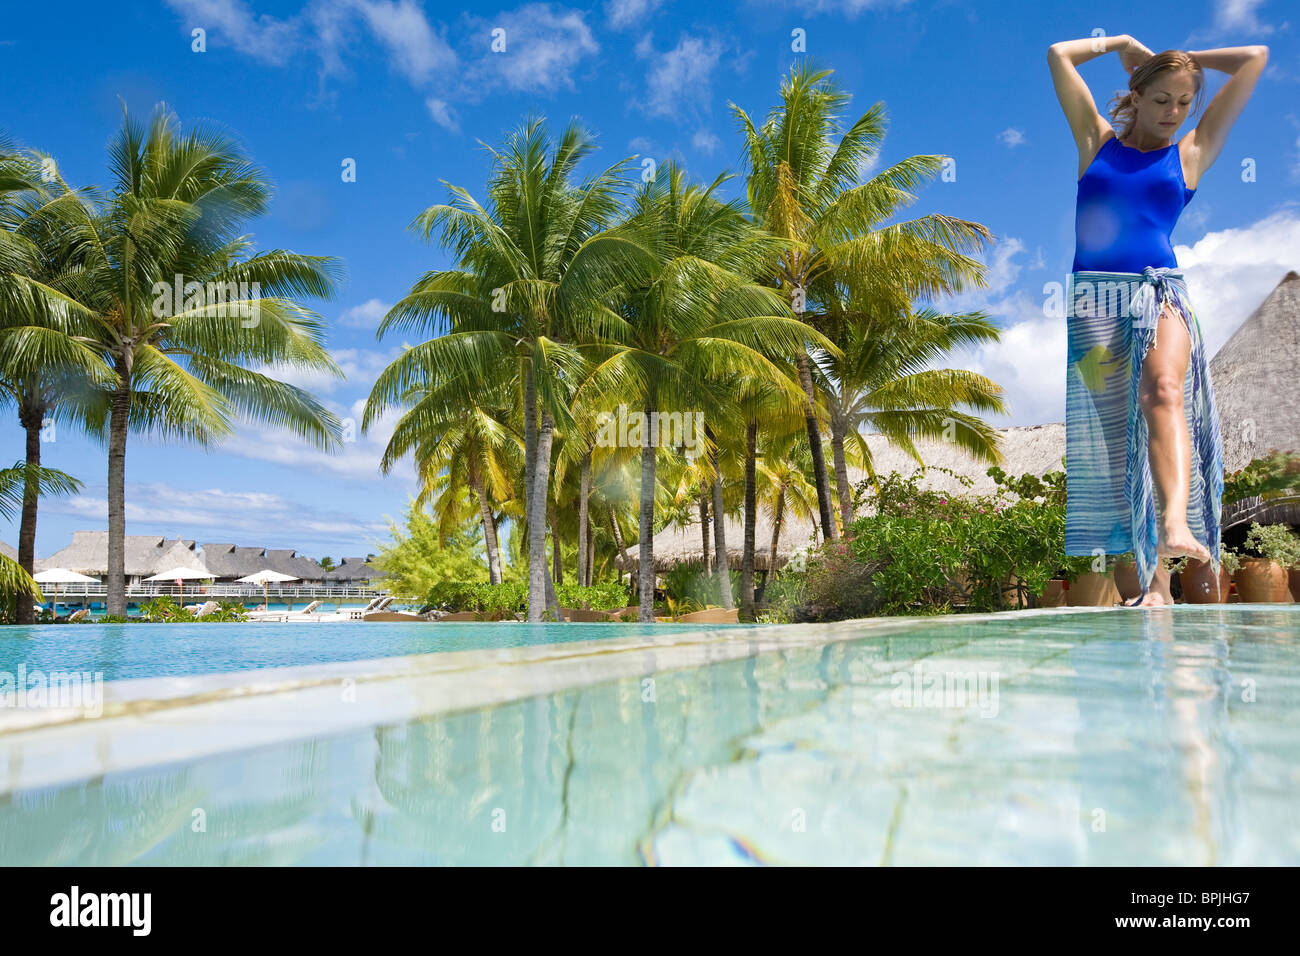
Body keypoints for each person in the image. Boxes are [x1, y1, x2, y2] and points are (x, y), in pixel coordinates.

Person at [1048, 33, 1268, 606]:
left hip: (1157, 291)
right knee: (1119, 446)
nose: (1173, 112)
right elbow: (1058, 55)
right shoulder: (1095, 142)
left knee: (1164, 393)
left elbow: (1253, 59)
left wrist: (1190, 62)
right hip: (1095, 304)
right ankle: (1151, 589)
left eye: (1184, 102)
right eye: (1162, 99)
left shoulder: (1190, 153)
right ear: (1137, 96)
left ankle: (1175, 525)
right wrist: (1121, 44)